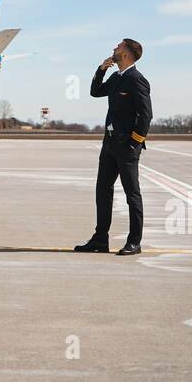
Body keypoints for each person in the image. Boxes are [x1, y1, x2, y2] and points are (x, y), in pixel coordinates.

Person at [75, 38, 152, 255]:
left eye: (118, 47)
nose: (114, 49)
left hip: (126, 147)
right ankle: (100, 239)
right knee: (103, 192)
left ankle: (134, 242)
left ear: (126, 53)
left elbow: (146, 115)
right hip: (109, 145)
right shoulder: (117, 78)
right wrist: (101, 69)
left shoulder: (136, 79)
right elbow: (95, 91)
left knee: (132, 194)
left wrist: (134, 143)